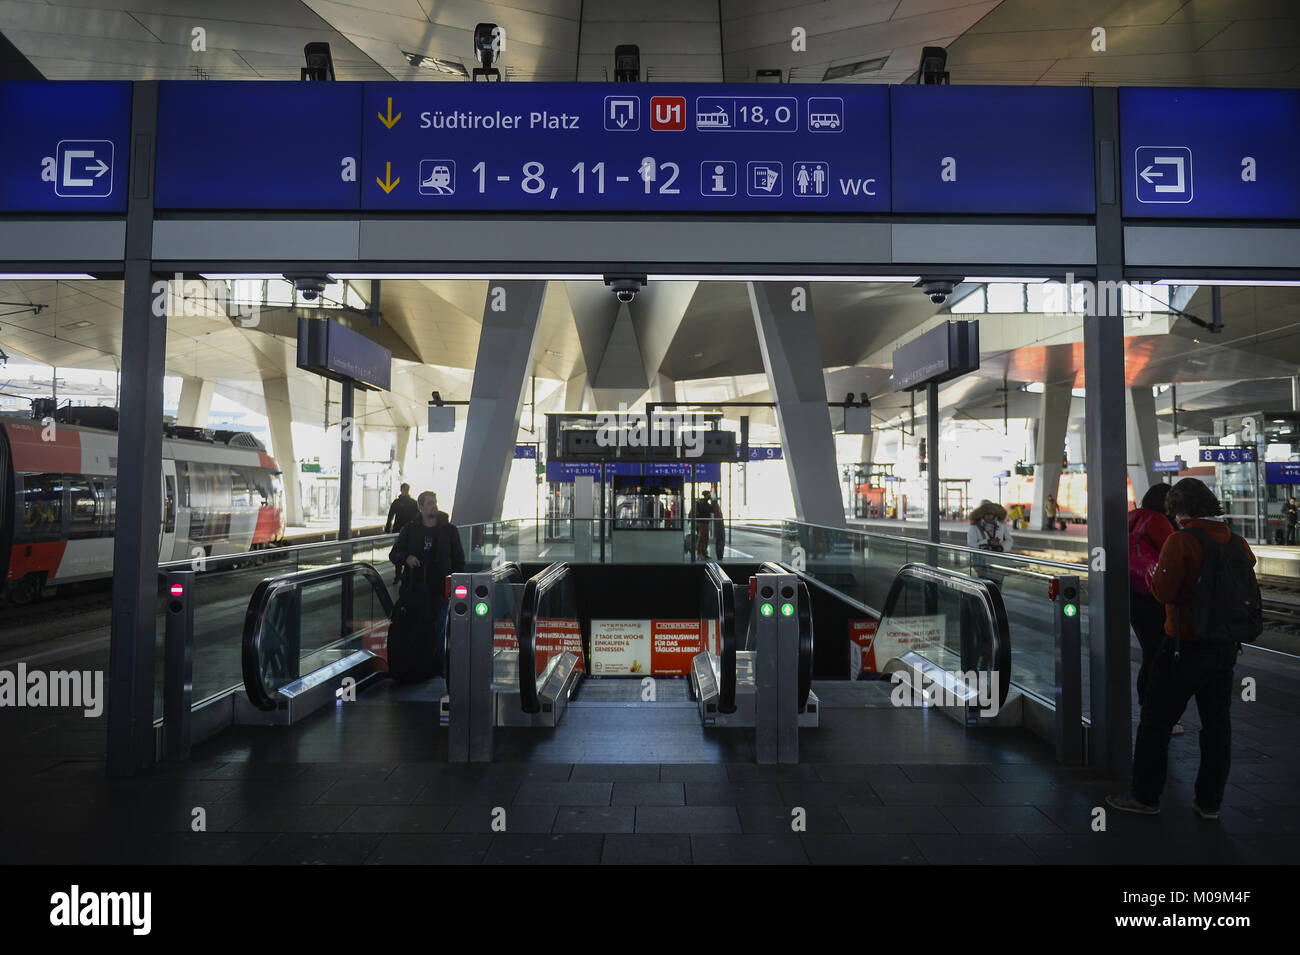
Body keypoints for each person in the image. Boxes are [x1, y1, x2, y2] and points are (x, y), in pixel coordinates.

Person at [1108, 478, 1256, 819]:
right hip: (1225, 647)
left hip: (1183, 646)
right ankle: (1209, 803)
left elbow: (1161, 592)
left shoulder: (1181, 540)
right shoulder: (1237, 541)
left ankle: (1145, 797)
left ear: (1180, 510)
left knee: (1155, 722)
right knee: (1217, 726)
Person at [388, 491, 465, 675]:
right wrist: (406, 557)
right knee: (418, 627)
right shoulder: (410, 529)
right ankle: (422, 664)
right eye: (430, 503)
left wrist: (455, 581)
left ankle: (439, 666)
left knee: (440, 626)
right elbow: (394, 554)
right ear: (420, 507)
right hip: (415, 590)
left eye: (435, 502)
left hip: (441, 588)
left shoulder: (449, 530)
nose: (434, 505)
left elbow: (459, 559)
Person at [1128, 483, 1181, 731]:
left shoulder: (1133, 517)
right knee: (1160, 653)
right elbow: (1174, 554)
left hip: (1133, 593)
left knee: (1152, 651)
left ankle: (1148, 705)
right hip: (1153, 596)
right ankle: (1155, 710)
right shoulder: (1158, 521)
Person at [694, 491, 716, 559]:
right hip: (702, 522)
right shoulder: (701, 503)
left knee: (705, 538)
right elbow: (708, 510)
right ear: (706, 495)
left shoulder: (705, 503)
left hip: (705, 522)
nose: (710, 496)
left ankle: (704, 552)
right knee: (702, 538)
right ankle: (700, 553)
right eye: (709, 495)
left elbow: (712, 510)